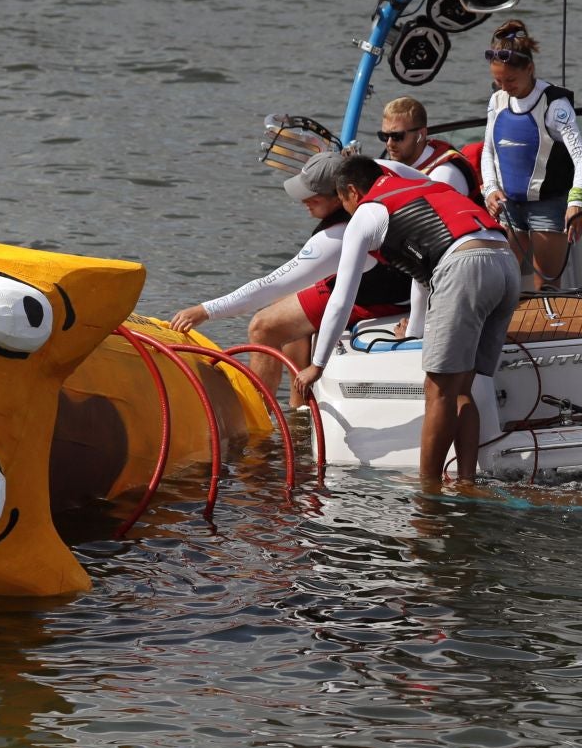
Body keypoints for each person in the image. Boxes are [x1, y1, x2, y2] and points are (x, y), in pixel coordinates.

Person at [293, 156, 521, 483]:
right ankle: (467, 481)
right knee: (462, 388)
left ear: (353, 192)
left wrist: (317, 364)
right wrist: (414, 327)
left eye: (343, 201)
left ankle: (429, 493)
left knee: (438, 389)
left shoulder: (368, 212)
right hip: (505, 262)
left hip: (466, 267)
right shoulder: (428, 186)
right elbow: (424, 274)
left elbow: (341, 298)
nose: (346, 211)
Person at [169, 151, 424, 406]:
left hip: (380, 297)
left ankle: (259, 415)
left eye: (312, 196)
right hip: (400, 278)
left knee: (263, 326)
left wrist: (204, 310)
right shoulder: (380, 171)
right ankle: (298, 407)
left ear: (342, 195)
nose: (304, 201)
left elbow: (267, 287)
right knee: (288, 304)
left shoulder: (334, 239)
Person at [478, 20, 582, 288]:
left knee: (547, 287)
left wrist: (576, 202)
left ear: (529, 68)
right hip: (507, 204)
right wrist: (490, 189)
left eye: (510, 80)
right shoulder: (497, 100)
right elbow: (489, 149)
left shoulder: (555, 105)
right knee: (498, 283)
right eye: (497, 80)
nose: (504, 87)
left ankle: (551, 329)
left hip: (547, 206)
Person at [378, 96, 484, 205]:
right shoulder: (398, 161)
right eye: (384, 136)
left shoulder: (443, 175)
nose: (389, 143)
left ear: (421, 135)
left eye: (397, 136)